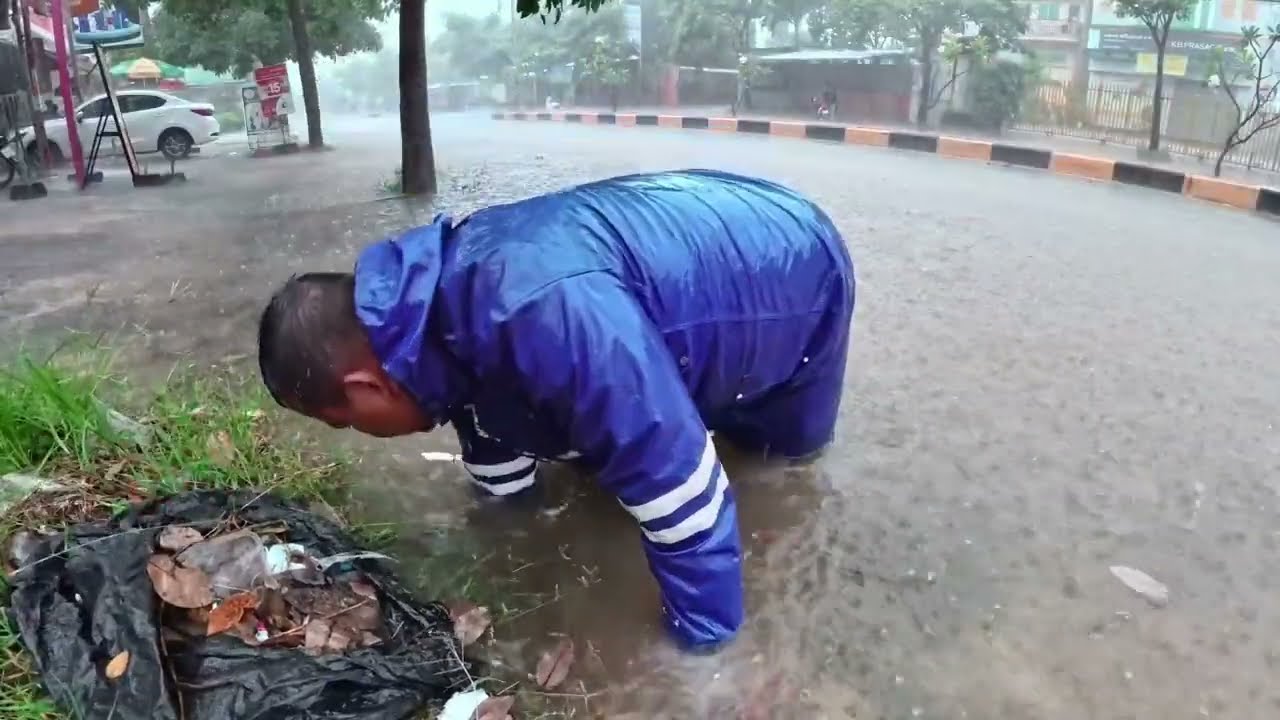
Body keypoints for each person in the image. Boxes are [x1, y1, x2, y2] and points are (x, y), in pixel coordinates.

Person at [257, 170, 856, 650]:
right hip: (687, 251)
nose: (359, 432)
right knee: (606, 431)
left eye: (344, 422)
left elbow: (676, 479)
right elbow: (485, 420)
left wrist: (697, 663)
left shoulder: (541, 315)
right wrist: (511, 523)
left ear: (366, 387)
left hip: (792, 266)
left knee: (779, 463)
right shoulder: (428, 322)